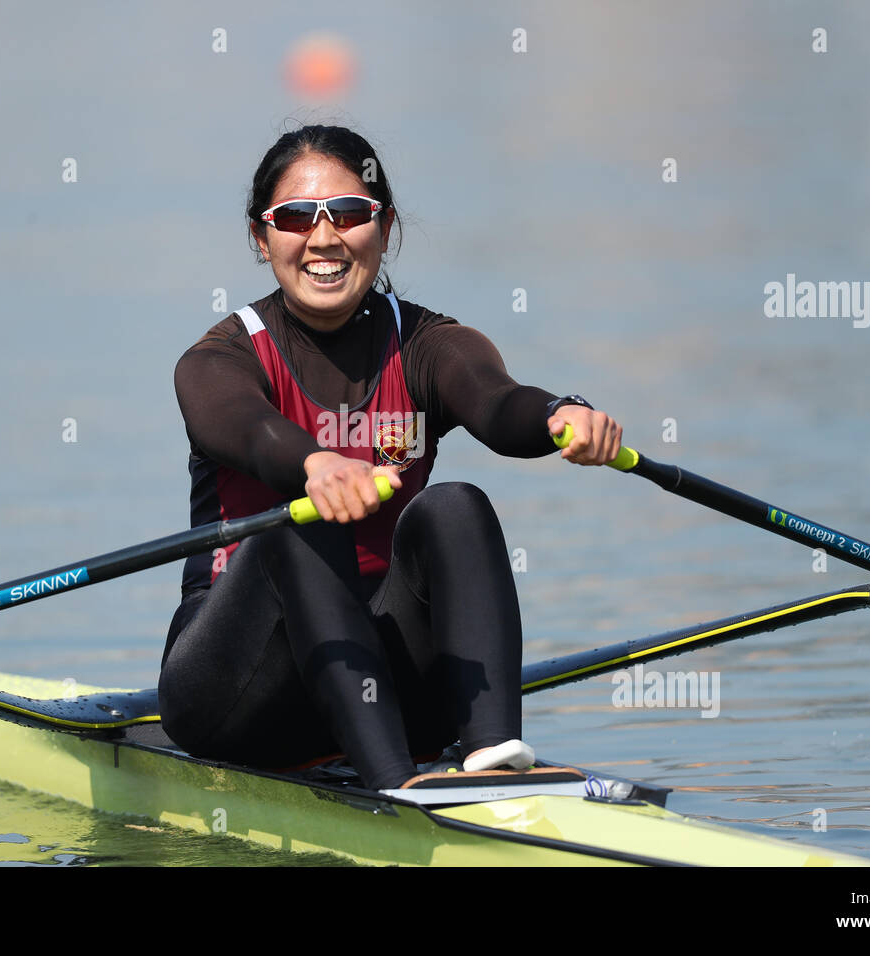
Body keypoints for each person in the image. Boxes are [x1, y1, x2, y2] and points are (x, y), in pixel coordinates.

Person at [159, 125, 621, 791]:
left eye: (349, 214)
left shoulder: (430, 343)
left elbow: (496, 402)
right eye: (294, 218)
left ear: (385, 227)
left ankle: (492, 753)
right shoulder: (219, 359)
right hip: (241, 689)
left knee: (457, 504)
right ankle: (393, 788)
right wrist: (316, 466)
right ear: (262, 239)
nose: (323, 238)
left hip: (391, 682)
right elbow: (251, 431)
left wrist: (559, 414)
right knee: (297, 533)